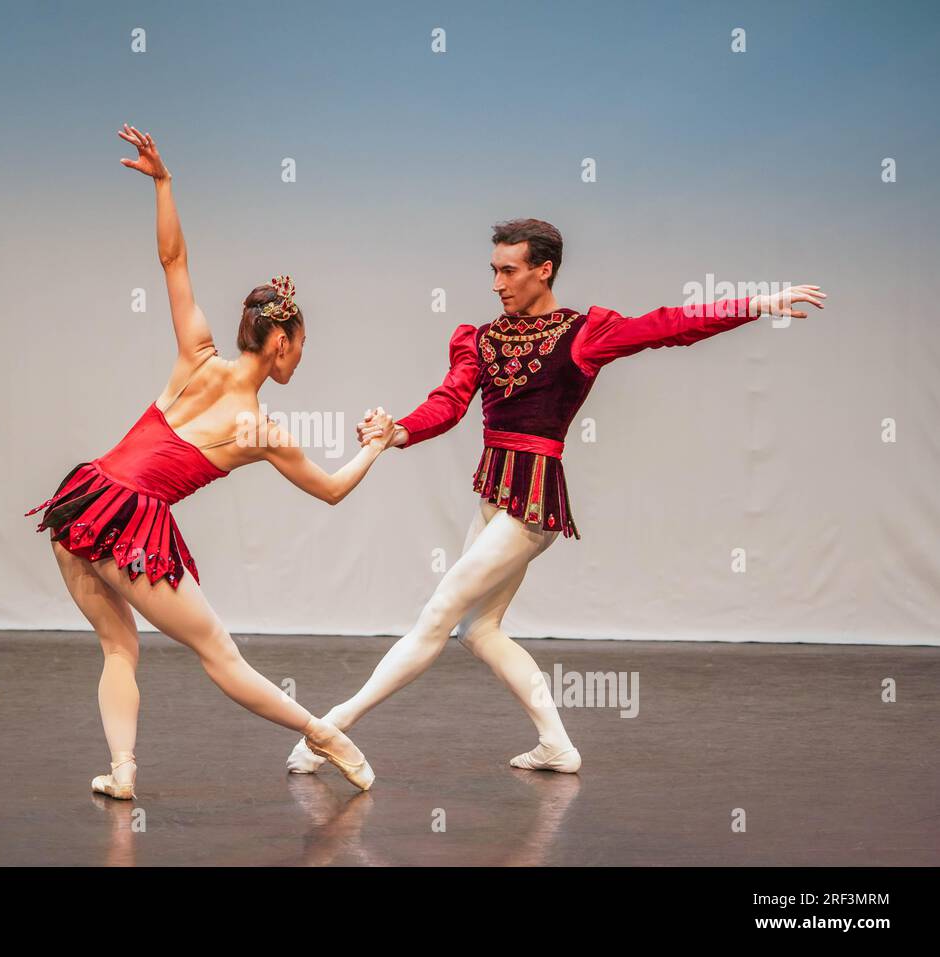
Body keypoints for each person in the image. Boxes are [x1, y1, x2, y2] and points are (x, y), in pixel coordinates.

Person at [287, 217, 826, 776]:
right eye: (493, 270)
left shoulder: (584, 333)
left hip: (533, 500)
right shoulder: (481, 338)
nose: (497, 283)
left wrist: (759, 302)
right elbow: (447, 403)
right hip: (495, 491)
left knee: (438, 615)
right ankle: (556, 745)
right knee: (479, 630)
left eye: (509, 271)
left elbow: (671, 324)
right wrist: (397, 431)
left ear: (544, 270)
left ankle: (328, 729)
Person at [25, 125, 395, 798]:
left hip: (78, 502)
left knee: (119, 646)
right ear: (279, 340)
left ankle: (124, 771)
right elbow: (334, 490)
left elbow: (172, 260)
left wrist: (165, 184)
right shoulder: (261, 428)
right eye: (302, 344)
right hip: (127, 521)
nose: (303, 357)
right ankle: (325, 732)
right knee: (219, 654)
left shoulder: (195, 355)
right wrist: (374, 445)